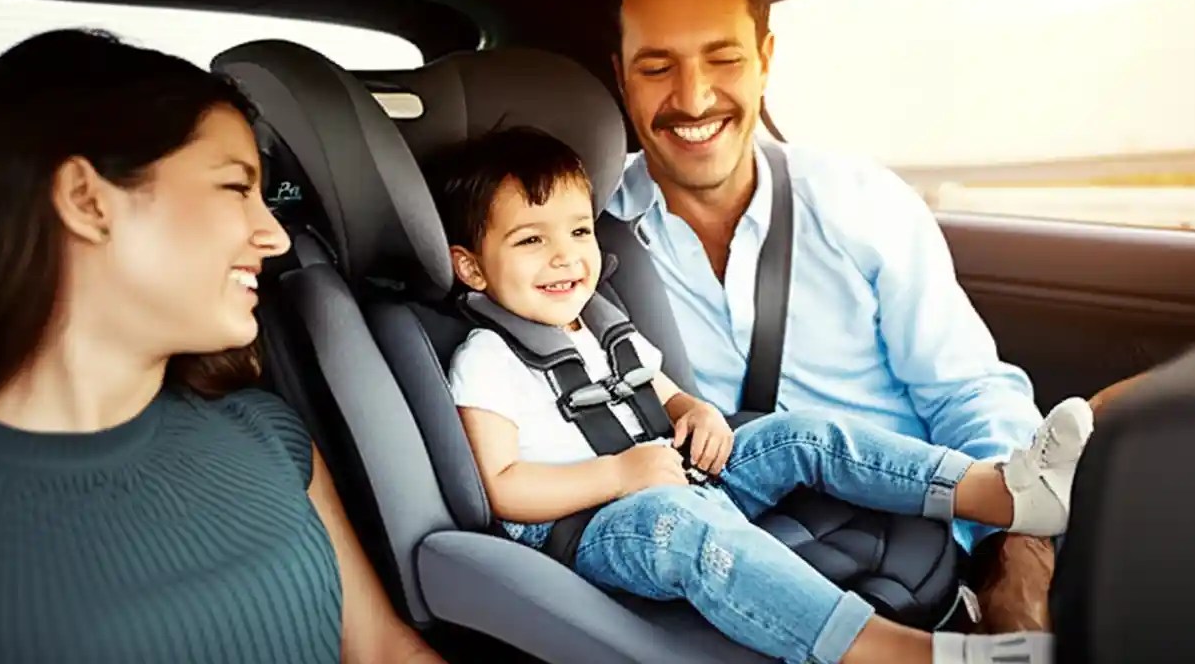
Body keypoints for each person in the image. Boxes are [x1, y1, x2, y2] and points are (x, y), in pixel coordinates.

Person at [433, 125, 1093, 664]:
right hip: (592, 529)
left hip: (670, 473)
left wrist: (698, 413)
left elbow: (661, 394)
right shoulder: (487, 358)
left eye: (578, 232)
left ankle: (1001, 491)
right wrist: (619, 475)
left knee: (800, 432)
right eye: (530, 241)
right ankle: (906, 654)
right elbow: (502, 487)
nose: (564, 256)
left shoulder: (600, 322)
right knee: (694, 531)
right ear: (470, 266)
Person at [0, 29, 444, 664]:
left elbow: (381, 650)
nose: (274, 238)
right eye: (235, 188)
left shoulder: (267, 434)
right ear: (88, 201)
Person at [604, 0, 1075, 632]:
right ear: (620, 79)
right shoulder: (576, 244)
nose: (694, 97)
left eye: (723, 58)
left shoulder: (862, 203)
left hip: (928, 555)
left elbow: (967, 394)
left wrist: (1014, 561)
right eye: (657, 67)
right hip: (745, 578)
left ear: (765, 56)